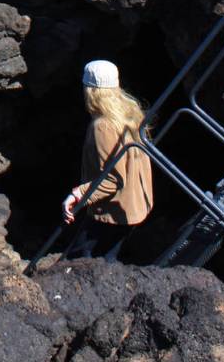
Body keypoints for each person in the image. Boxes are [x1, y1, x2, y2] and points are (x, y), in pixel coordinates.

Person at [61, 60, 154, 260]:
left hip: (112, 212)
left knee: (78, 263)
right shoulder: (131, 115)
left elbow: (112, 179)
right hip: (133, 208)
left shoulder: (103, 126)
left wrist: (77, 194)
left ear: (90, 91)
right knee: (105, 262)